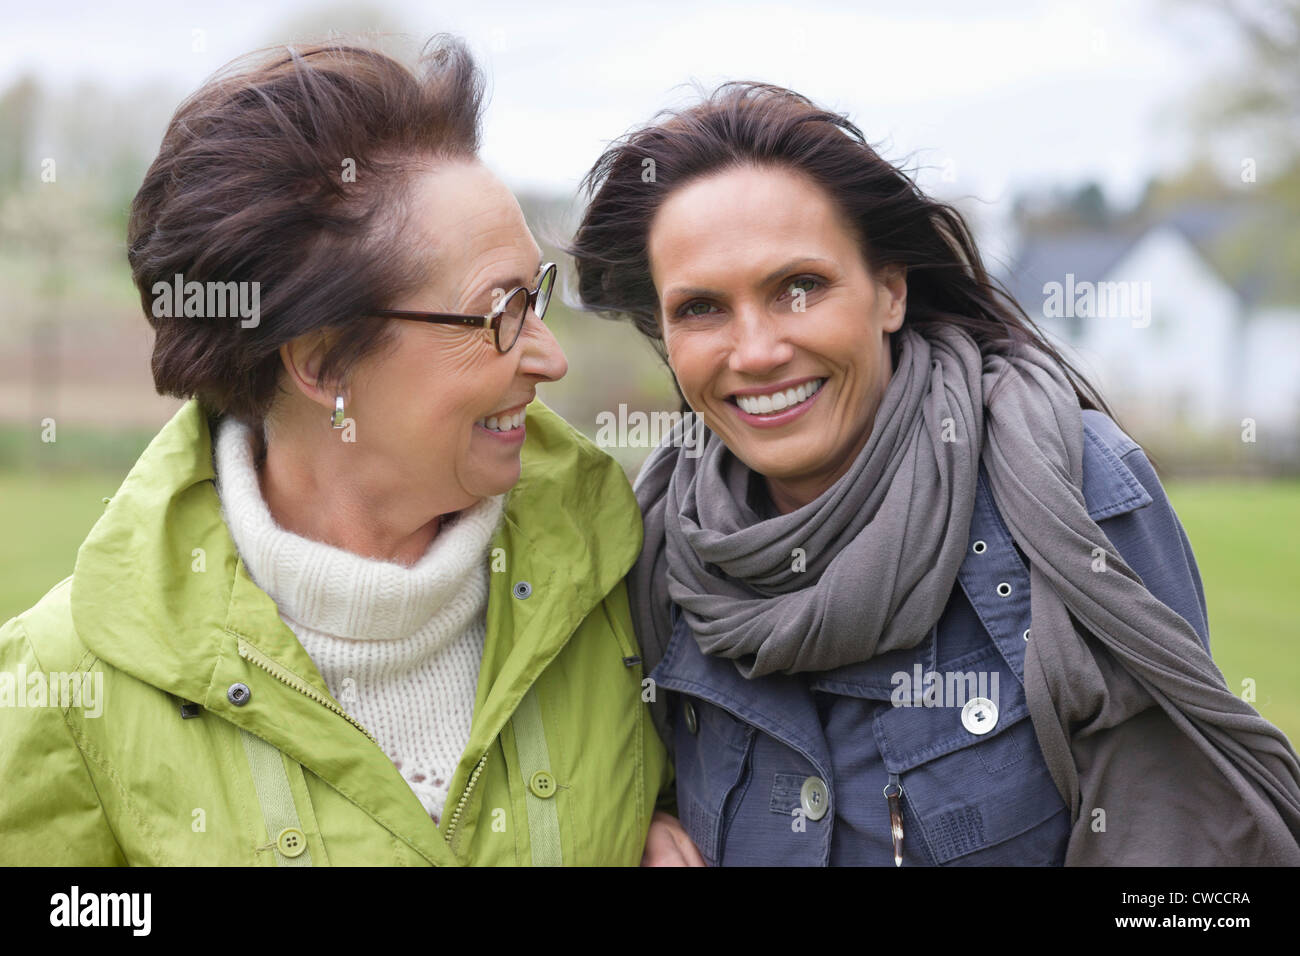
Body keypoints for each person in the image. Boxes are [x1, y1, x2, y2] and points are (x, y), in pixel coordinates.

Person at [568, 81, 1300, 865]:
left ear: (889, 291)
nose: (754, 351)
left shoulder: (1074, 494)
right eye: (702, 308)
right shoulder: (647, 556)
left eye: (800, 288)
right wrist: (630, 824)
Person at [0, 37, 669, 866]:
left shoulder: (627, 580)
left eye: (537, 296)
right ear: (323, 364)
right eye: (500, 313)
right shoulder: (65, 682)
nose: (549, 356)